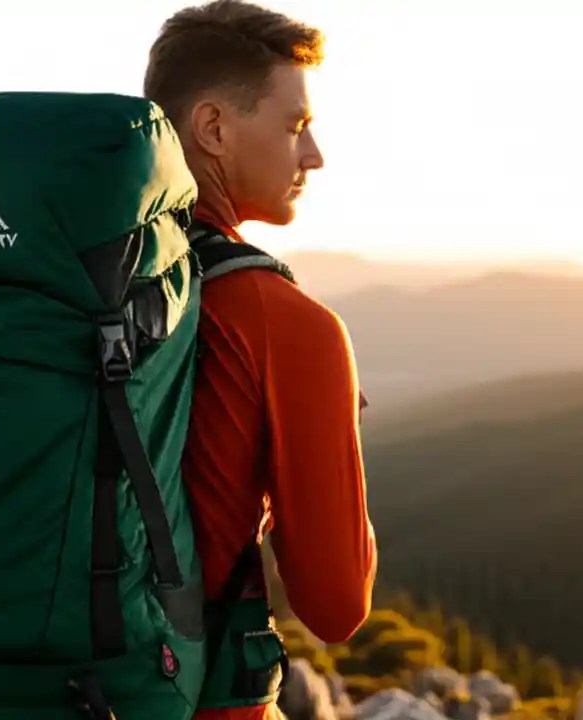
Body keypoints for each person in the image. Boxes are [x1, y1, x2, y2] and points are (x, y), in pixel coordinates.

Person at [144, 2, 379, 718]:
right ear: (213, 128)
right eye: (295, 125)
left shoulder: (70, 280)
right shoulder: (288, 324)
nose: (313, 155)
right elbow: (337, 607)